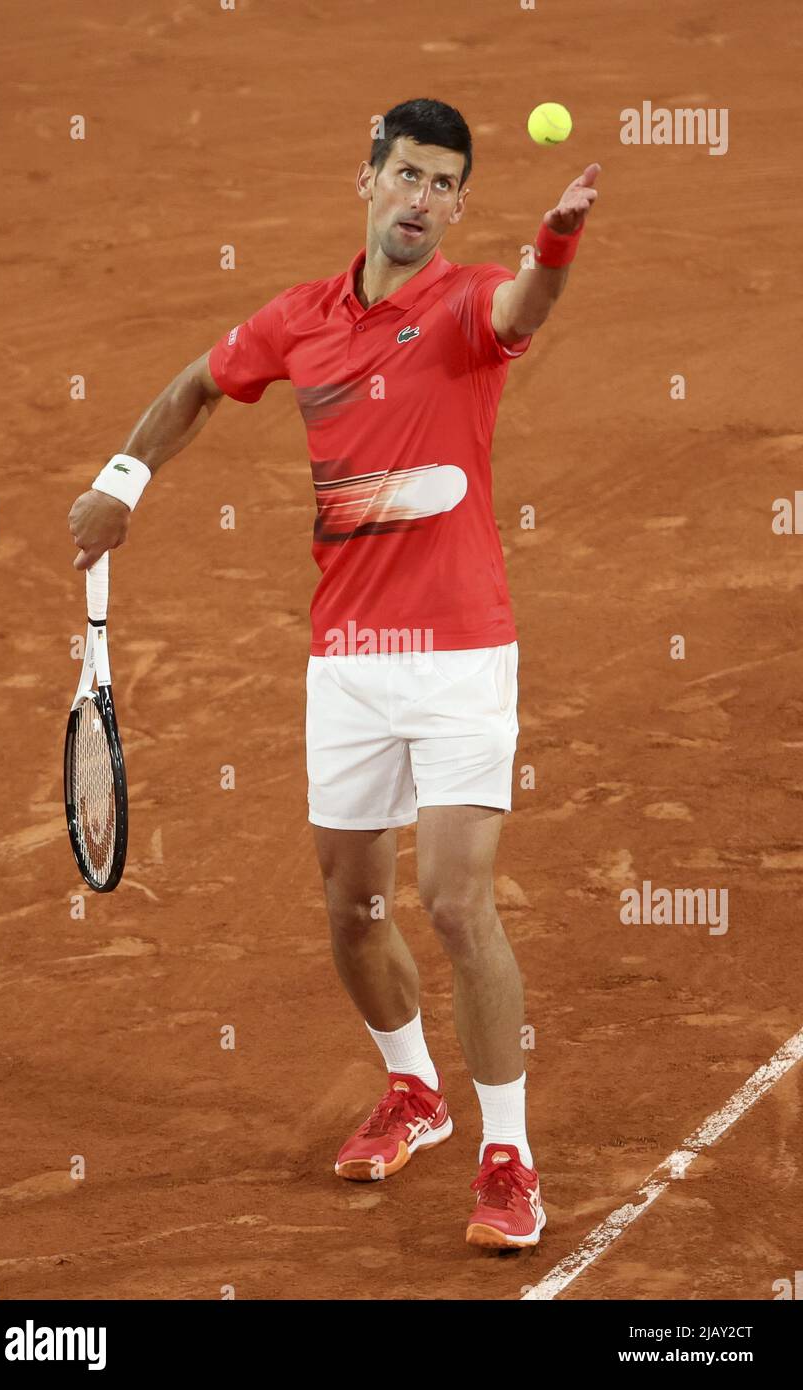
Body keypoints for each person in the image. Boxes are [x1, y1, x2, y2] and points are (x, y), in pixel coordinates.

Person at [68, 97, 600, 1249]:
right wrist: (123, 480)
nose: (419, 200)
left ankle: (506, 1155)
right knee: (351, 910)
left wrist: (552, 242)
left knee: (455, 900)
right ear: (365, 179)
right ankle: (416, 1093)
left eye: (442, 186)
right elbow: (199, 385)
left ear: (458, 205)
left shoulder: (467, 308)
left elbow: (526, 303)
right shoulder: (298, 321)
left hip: (460, 651)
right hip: (349, 661)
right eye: (404, 175)